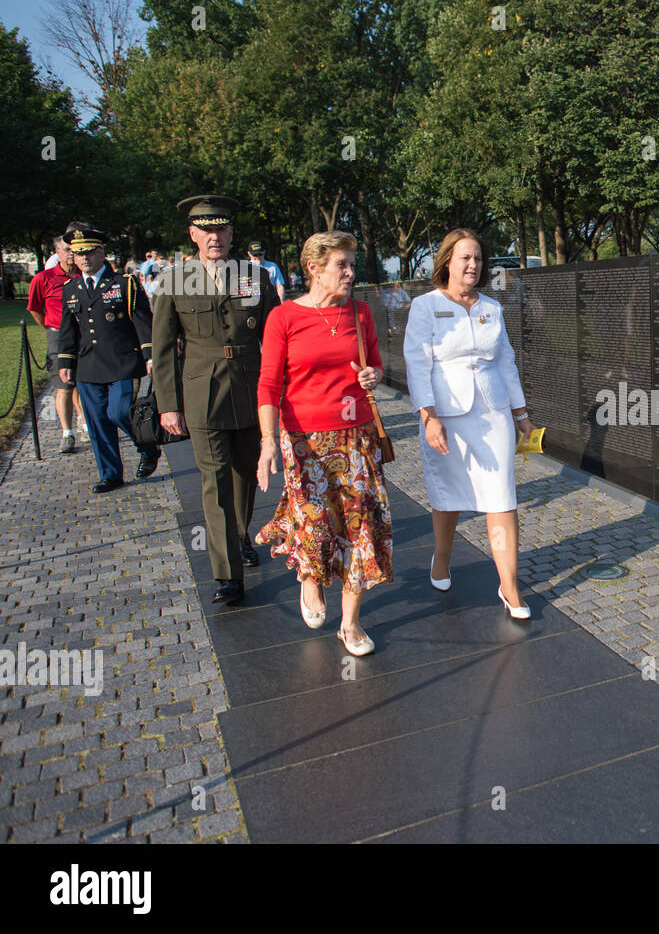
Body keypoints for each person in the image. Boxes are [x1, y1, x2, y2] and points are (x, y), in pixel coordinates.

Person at [255, 231, 391, 656]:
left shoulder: (361, 312)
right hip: (304, 440)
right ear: (313, 269)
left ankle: (349, 625)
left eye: (353, 264)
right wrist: (268, 441)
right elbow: (268, 383)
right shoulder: (284, 317)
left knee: (360, 527)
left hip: (357, 437)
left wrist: (373, 377)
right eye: (341, 265)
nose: (351, 272)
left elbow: (376, 364)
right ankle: (310, 580)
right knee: (316, 525)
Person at [403, 228, 537, 619]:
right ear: (447, 261)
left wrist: (521, 415)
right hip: (444, 415)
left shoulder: (492, 308)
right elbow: (417, 364)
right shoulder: (425, 307)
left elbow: (506, 361)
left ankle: (509, 586)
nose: (473, 265)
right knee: (448, 495)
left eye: (478, 258)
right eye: (465, 258)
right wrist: (427, 416)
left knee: (501, 497)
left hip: (492, 413)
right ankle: (441, 560)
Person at [151, 195, 277, 606]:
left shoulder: (253, 277)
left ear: (230, 232)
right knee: (215, 479)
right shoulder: (174, 280)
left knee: (244, 474)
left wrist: (282, 394)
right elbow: (164, 346)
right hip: (202, 393)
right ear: (192, 235)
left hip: (250, 388)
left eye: (221, 229)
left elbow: (276, 339)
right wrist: (168, 404)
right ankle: (227, 576)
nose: (214, 237)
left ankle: (240, 535)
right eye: (205, 230)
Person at [55, 227, 160, 492]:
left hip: (122, 362)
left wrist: (149, 354)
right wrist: (65, 361)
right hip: (89, 365)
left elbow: (142, 321)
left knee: (119, 411)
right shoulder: (72, 288)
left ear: (101, 253)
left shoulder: (124, 283)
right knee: (97, 421)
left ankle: (147, 446)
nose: (84, 259)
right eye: (78, 254)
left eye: (89, 252)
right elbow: (68, 328)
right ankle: (110, 474)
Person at [27, 230, 87, 452]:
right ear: (57, 252)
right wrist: (49, 327)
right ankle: (67, 433)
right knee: (64, 384)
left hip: (83, 333)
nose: (71, 254)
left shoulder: (84, 275)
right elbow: (34, 308)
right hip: (58, 334)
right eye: (66, 250)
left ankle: (85, 420)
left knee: (83, 379)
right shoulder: (43, 278)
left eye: (74, 249)